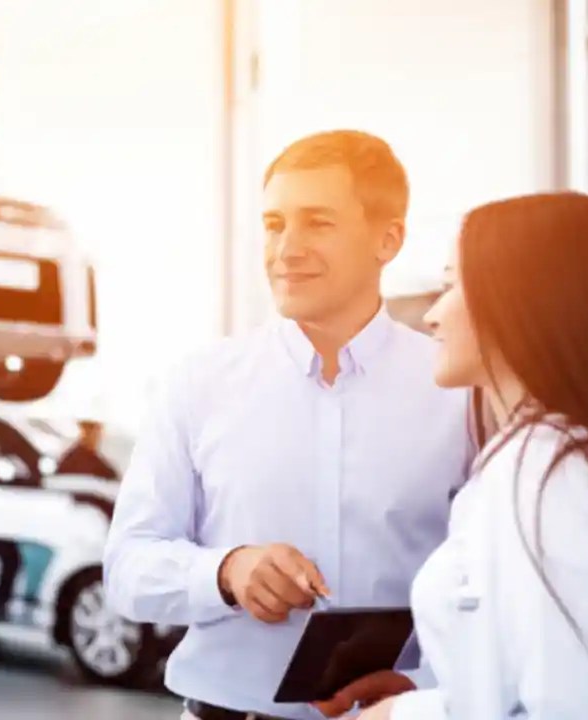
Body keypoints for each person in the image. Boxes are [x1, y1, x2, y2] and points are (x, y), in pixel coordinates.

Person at [102, 129, 475, 720]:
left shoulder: (457, 391)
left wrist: (425, 686)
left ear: (388, 239)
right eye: (274, 224)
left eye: (318, 223)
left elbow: (485, 587)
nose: (287, 249)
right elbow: (127, 568)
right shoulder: (198, 383)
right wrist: (226, 571)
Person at [325, 192, 588, 719]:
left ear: (518, 300)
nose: (432, 315)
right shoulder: (552, 457)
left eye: (451, 285)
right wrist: (425, 688)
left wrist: (402, 716)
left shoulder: (545, 469)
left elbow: (570, 708)